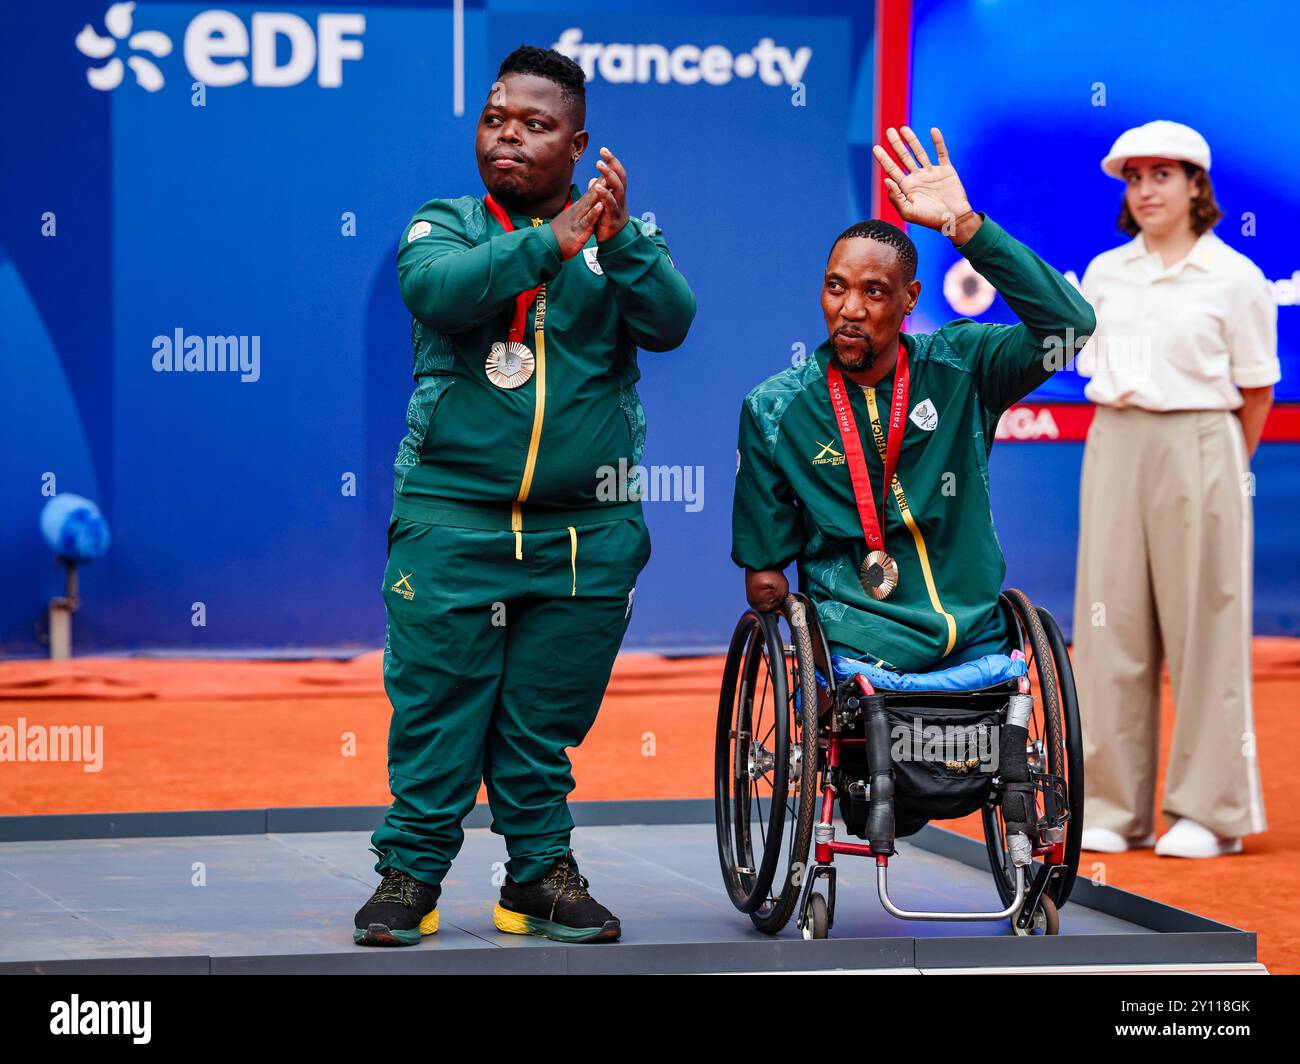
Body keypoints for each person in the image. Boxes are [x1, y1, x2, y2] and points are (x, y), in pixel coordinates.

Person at [354, 45, 696, 945]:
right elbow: (440, 293)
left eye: (535, 125)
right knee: (436, 704)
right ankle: (411, 873)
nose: (509, 136)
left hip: (587, 531)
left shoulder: (621, 237)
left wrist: (614, 243)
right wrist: (551, 243)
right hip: (453, 521)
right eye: (496, 119)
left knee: (542, 718)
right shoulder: (448, 222)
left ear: (577, 142)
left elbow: (673, 323)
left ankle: (538, 876)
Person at [733, 126, 1095, 675]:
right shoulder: (776, 407)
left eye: (874, 291)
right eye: (837, 287)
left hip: (977, 632)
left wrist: (966, 228)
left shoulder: (963, 366)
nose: (851, 308)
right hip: (861, 641)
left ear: (910, 299)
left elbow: (1070, 326)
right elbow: (764, 576)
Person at [1073, 120, 1277, 859]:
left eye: (1163, 174)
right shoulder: (1103, 273)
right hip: (1115, 440)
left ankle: (1211, 812)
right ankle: (1111, 805)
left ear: (1198, 185)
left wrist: (1215, 466)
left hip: (1203, 442)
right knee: (1108, 628)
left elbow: (1254, 391)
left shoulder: (1236, 278)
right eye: (1134, 177)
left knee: (1207, 628)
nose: (1145, 189)